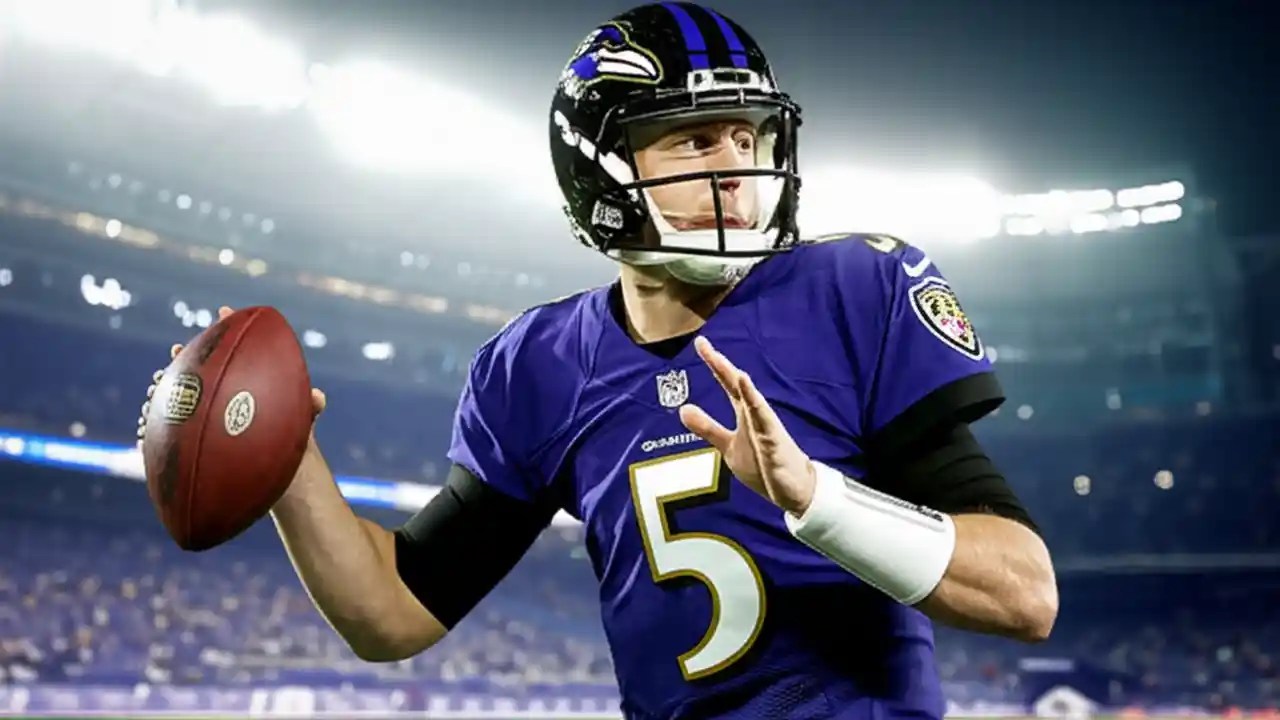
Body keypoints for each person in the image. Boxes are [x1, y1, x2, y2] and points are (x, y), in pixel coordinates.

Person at [139, 3, 1057, 718]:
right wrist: (289, 458)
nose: (737, 165)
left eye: (750, 136)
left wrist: (815, 498)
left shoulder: (856, 289)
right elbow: (390, 613)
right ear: (602, 167)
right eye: (697, 138)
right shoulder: (538, 364)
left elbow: (1023, 591)